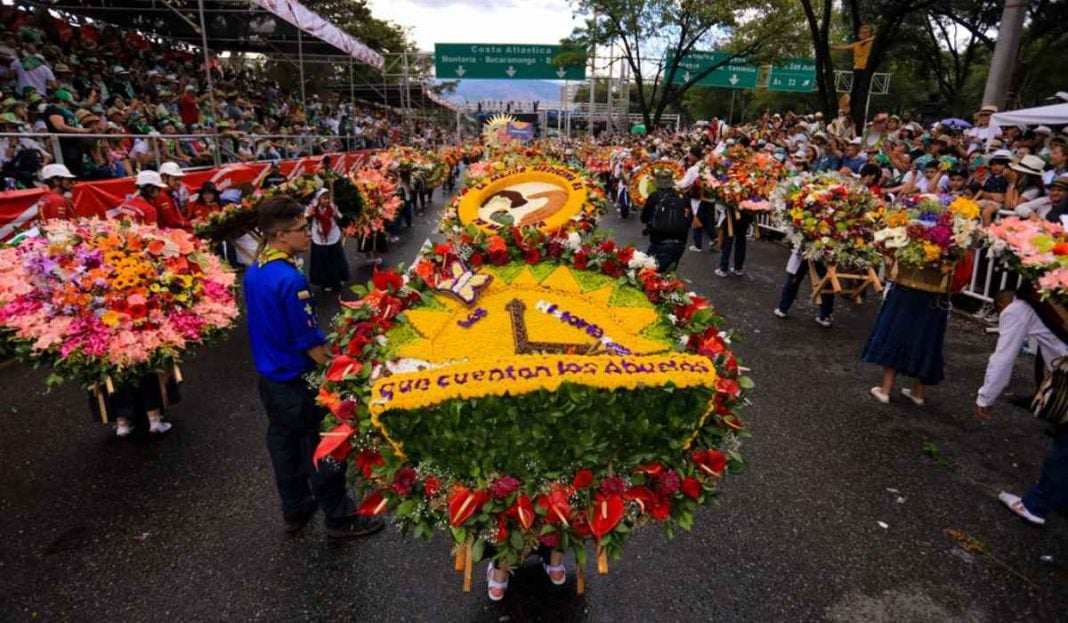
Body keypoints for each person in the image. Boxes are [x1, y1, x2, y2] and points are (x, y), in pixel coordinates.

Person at [243, 195, 383, 539]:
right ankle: (340, 517)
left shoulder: (256, 269)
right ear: (281, 236)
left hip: (270, 379)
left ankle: (296, 508)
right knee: (324, 449)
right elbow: (313, 346)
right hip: (298, 379)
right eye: (301, 229)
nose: (308, 234)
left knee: (284, 446)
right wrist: (343, 376)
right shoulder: (291, 281)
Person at [975, 289, 1068, 526]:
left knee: (1064, 447)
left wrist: (986, 397)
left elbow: (1003, 357)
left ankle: (1035, 505)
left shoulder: (1020, 309)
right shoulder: (1049, 303)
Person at [863, 282, 950, 406]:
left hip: (908, 288)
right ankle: (918, 392)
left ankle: (885, 390)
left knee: (897, 331)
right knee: (928, 338)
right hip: (937, 294)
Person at [640, 168, 691, 272]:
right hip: (680, 243)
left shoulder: (654, 196)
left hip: (660, 242)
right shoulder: (682, 197)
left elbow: (644, 217)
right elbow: (689, 219)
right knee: (669, 274)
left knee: (651, 275)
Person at [306, 187, 350, 291]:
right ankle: (325, 283)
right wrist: (310, 214)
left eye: (328, 198)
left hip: (332, 235)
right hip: (319, 237)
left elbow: (340, 216)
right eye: (324, 198)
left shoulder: (332, 207)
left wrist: (336, 214)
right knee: (322, 261)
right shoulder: (313, 207)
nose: (326, 201)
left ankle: (338, 279)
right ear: (318, 199)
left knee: (335, 258)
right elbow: (305, 216)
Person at [156, 161, 192, 230]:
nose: (179, 182)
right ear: (164, 178)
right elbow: (171, 222)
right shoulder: (162, 196)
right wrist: (190, 224)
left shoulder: (170, 193)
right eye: (175, 179)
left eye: (180, 179)